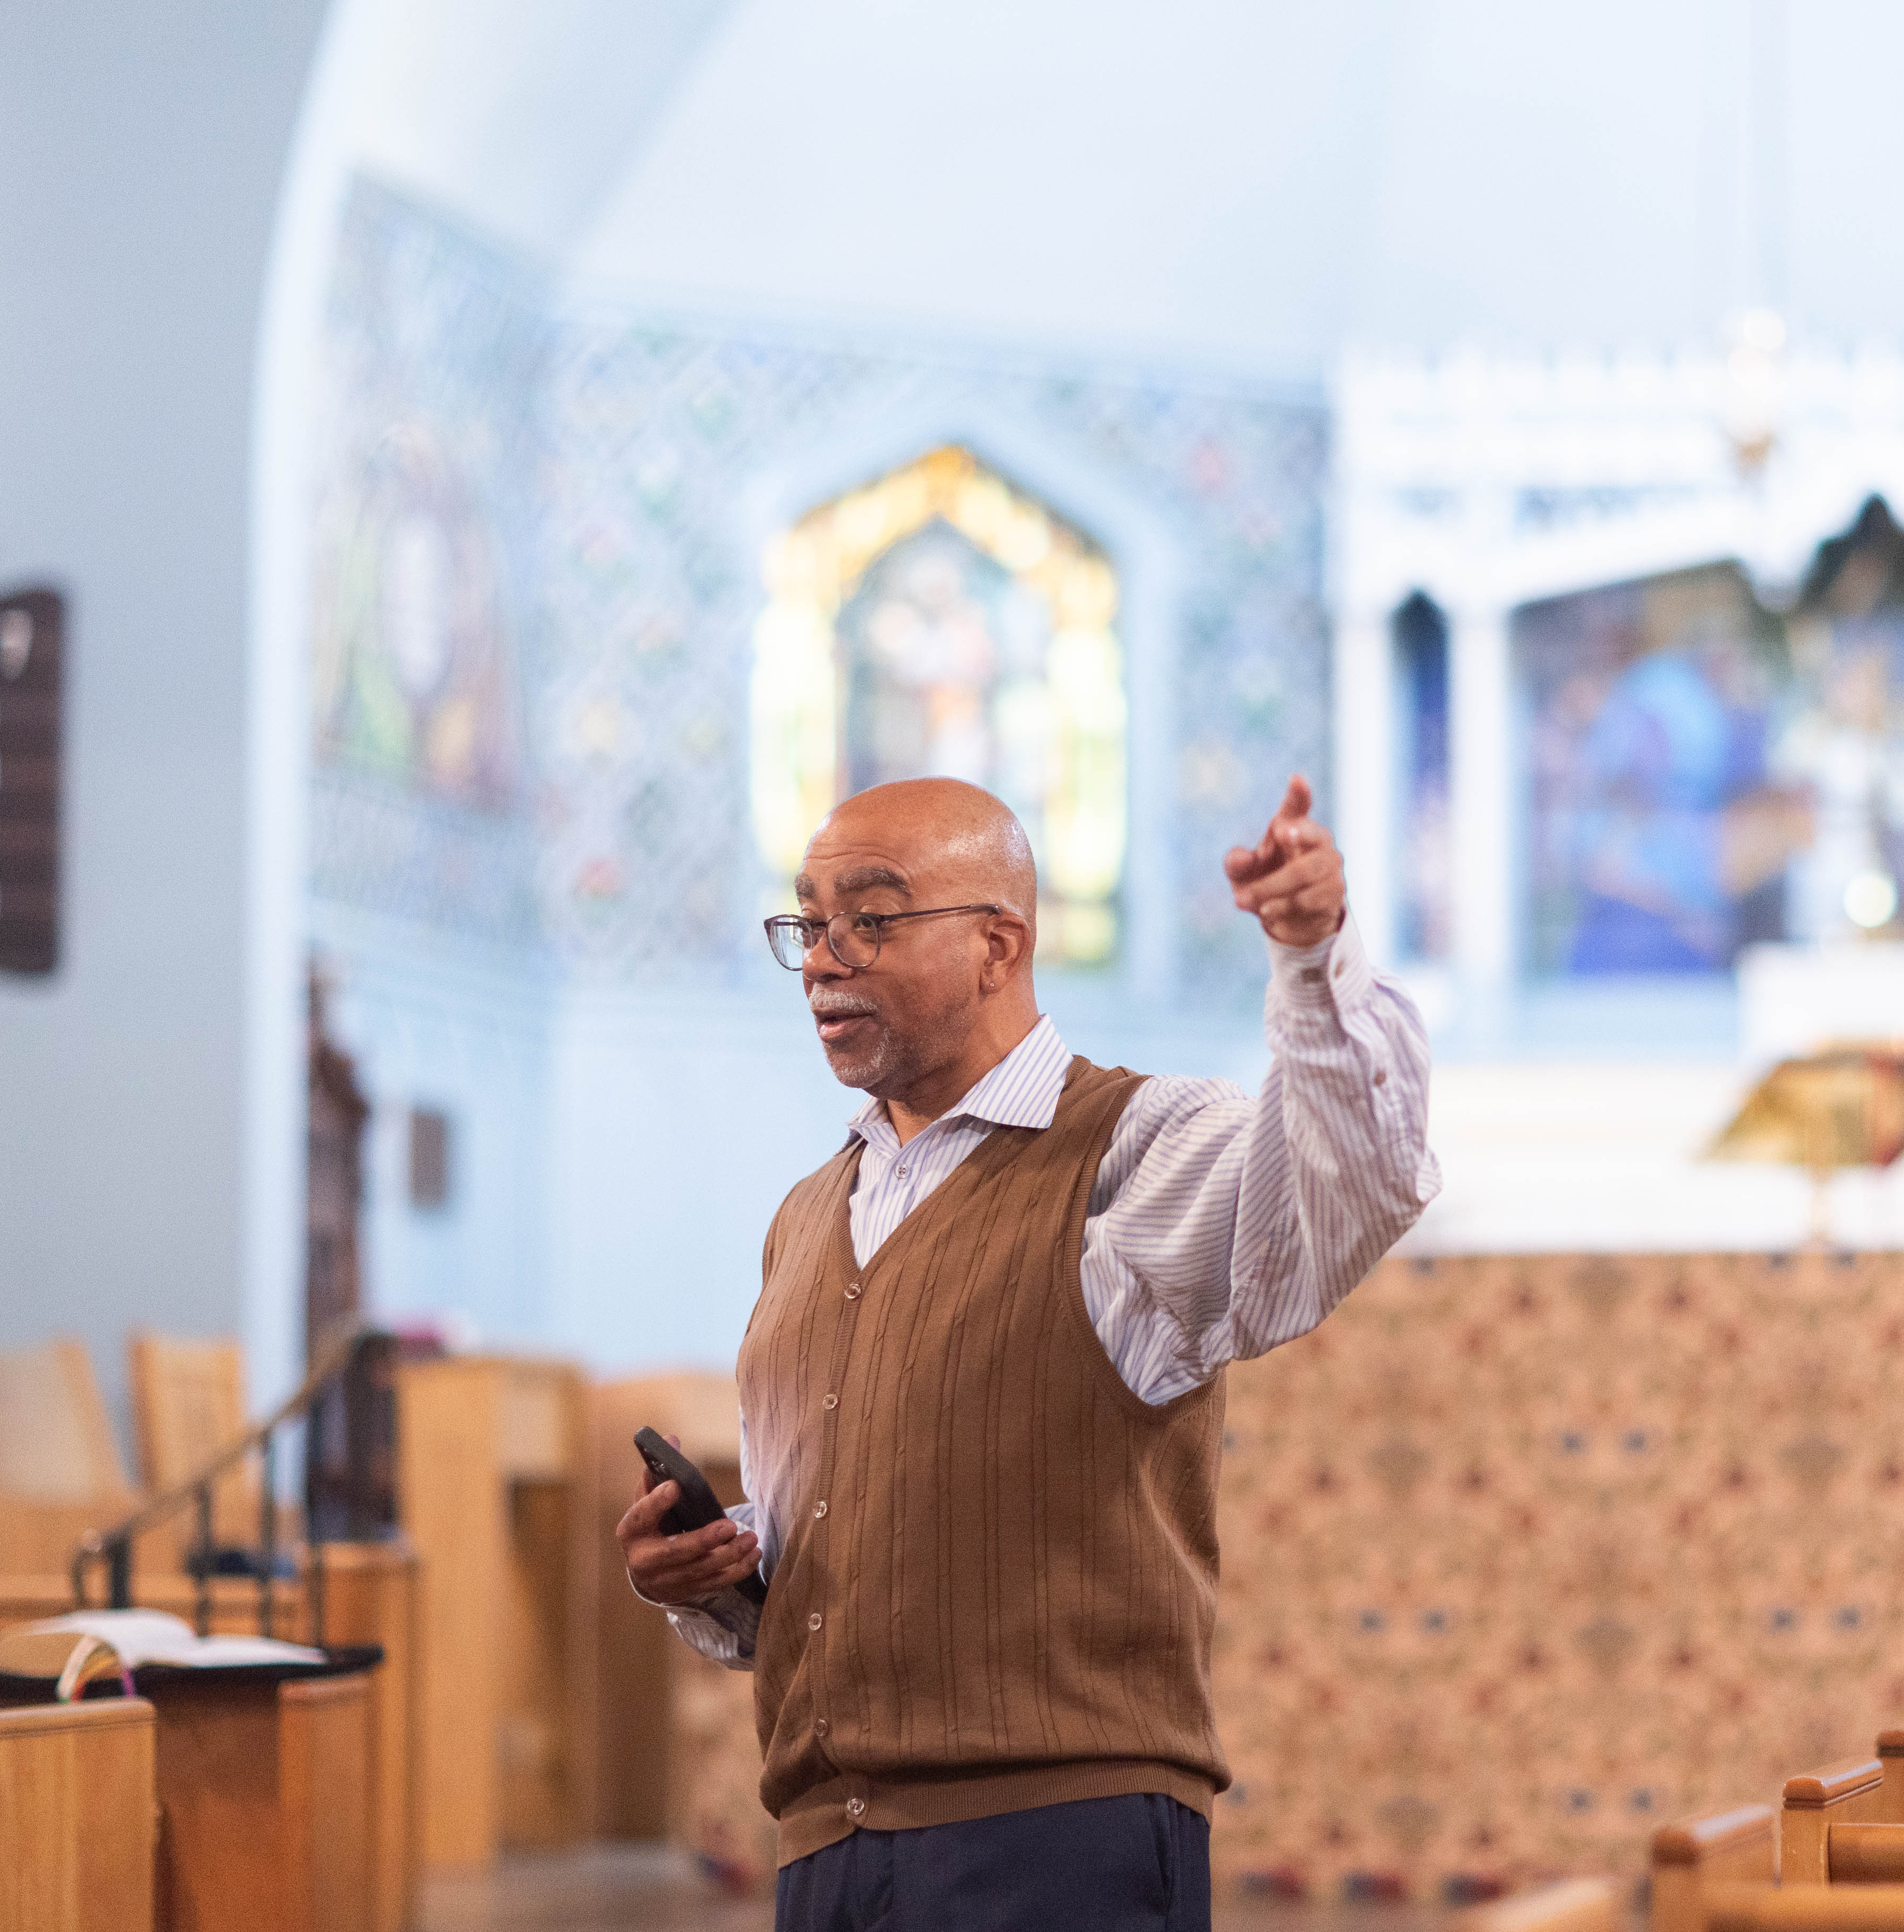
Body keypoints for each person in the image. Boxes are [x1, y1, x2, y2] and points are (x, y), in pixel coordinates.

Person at [615, 773, 1437, 1931]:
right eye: (809, 921)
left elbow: (1348, 1185)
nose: (821, 957)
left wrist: (1315, 958)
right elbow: (841, 1541)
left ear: (1000, 943)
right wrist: (718, 1574)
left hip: (1059, 1846)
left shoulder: (1131, 1147)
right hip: (827, 1854)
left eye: (872, 917)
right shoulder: (806, 1218)